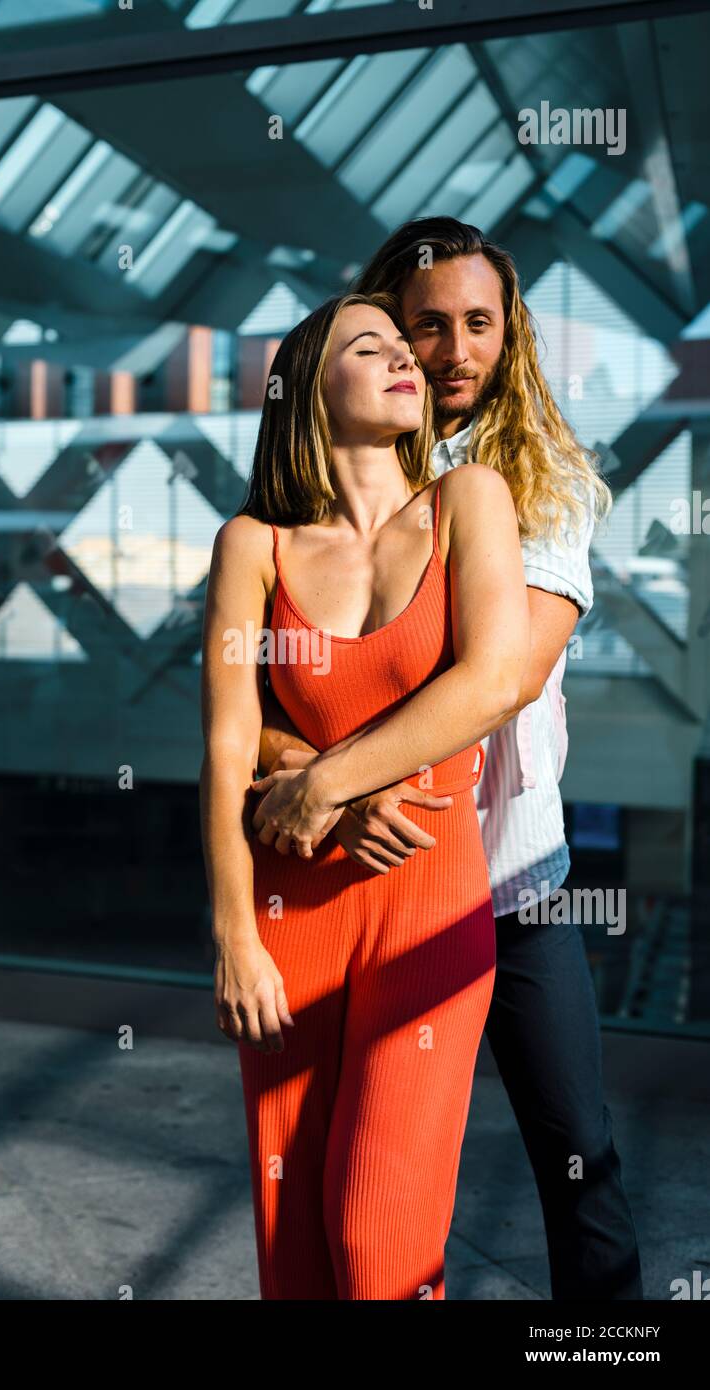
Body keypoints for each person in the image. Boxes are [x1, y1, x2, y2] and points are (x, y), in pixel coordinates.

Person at [254, 218, 643, 1301]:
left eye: (481, 323)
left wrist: (342, 777)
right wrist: (303, 771)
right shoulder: (343, 484)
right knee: (351, 1188)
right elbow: (271, 692)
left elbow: (505, 671)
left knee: (579, 1161)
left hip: (509, 884)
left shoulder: (541, 483)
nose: (458, 349)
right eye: (429, 326)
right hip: (359, 885)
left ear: (511, 335)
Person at [199, 289, 530, 1299]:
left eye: (405, 347)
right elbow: (222, 745)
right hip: (288, 915)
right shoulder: (253, 543)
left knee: (378, 1236)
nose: (404, 359)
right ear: (305, 388)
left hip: (429, 906)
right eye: (369, 345)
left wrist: (328, 779)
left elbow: (491, 681)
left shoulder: (469, 499)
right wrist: (234, 937)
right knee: (294, 1245)